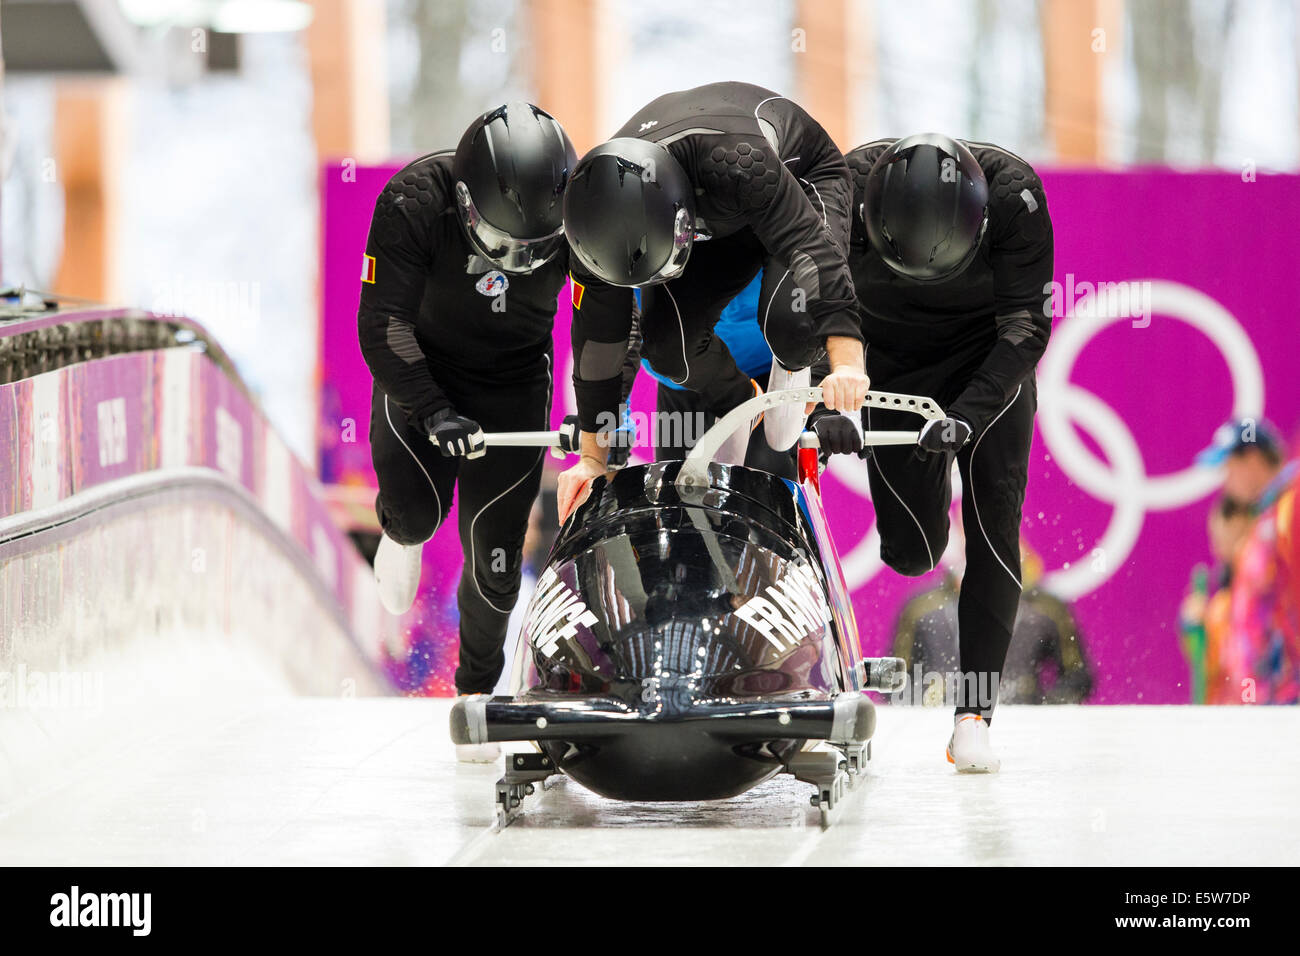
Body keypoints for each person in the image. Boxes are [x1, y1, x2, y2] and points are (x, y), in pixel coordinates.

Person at [356, 102, 577, 761]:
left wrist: (598, 415)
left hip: (513, 382)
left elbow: (607, 321)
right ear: (463, 201)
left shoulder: (584, 211)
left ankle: (476, 699)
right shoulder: (412, 202)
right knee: (419, 510)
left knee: (496, 555)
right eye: (503, 241)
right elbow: (382, 323)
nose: (516, 260)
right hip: (421, 370)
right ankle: (399, 535)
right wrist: (429, 407)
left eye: (533, 249)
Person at [555, 81, 870, 522]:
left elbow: (812, 252)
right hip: (713, 219)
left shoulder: (739, 162)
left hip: (796, 182)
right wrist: (592, 457)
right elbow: (598, 346)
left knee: (792, 323)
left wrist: (846, 362)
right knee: (666, 351)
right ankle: (744, 398)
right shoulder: (588, 231)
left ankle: (795, 365)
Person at [841, 134, 1054, 772]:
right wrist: (829, 402)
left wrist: (967, 417)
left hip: (987, 361)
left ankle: (973, 718)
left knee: (994, 522)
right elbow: (814, 304)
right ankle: (916, 534)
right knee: (912, 553)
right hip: (890, 365)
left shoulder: (1016, 196)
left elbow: (1026, 327)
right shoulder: (843, 189)